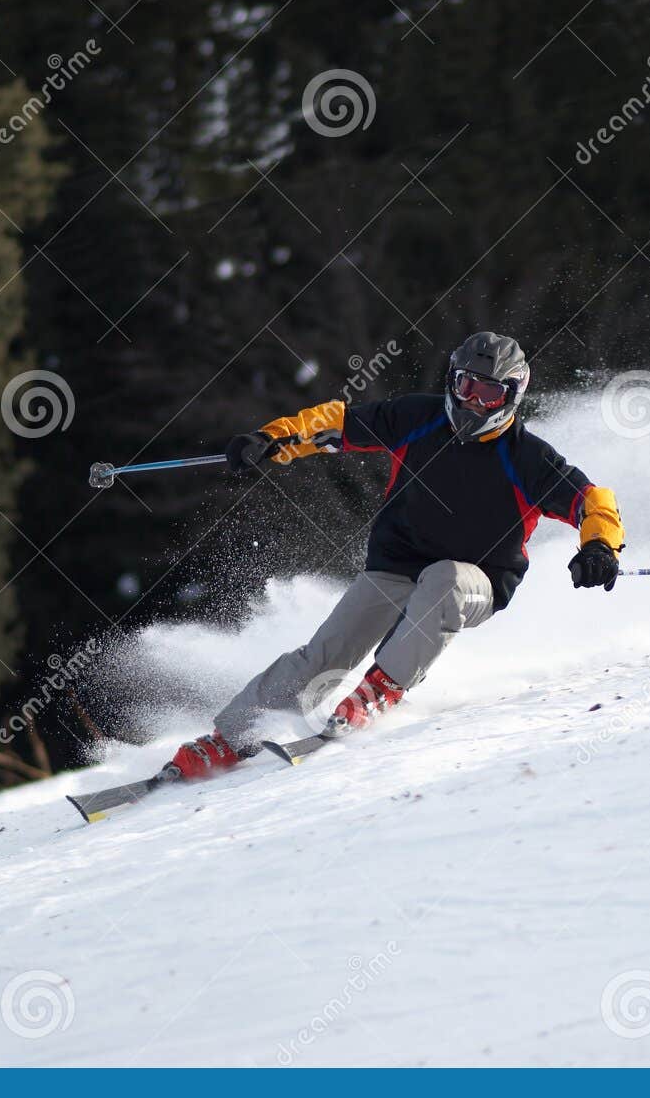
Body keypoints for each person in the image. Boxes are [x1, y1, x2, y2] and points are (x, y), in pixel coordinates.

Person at [164, 331, 625, 779]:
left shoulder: (527, 457)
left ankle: (380, 691)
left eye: (488, 393)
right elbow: (335, 424)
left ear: (511, 396)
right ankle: (228, 738)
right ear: (452, 381)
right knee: (324, 654)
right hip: (398, 565)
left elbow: (591, 500)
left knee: (445, 578)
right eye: (466, 386)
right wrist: (270, 439)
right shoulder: (417, 417)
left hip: (476, 582)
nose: (472, 403)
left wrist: (599, 546)